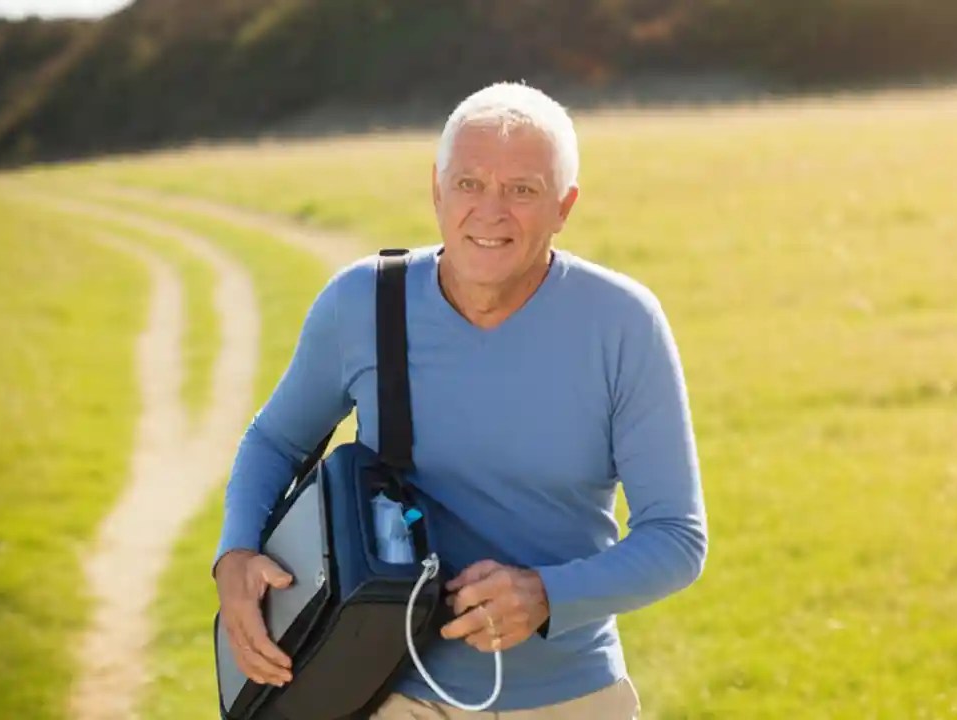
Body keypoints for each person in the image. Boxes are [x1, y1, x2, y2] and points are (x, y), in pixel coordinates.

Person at [213, 82, 707, 719]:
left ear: (565, 206)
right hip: (387, 688)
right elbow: (276, 440)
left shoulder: (623, 323)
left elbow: (676, 539)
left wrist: (546, 594)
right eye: (469, 183)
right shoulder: (361, 303)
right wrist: (234, 556)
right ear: (437, 190)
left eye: (522, 190)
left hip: (572, 697)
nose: (491, 211)